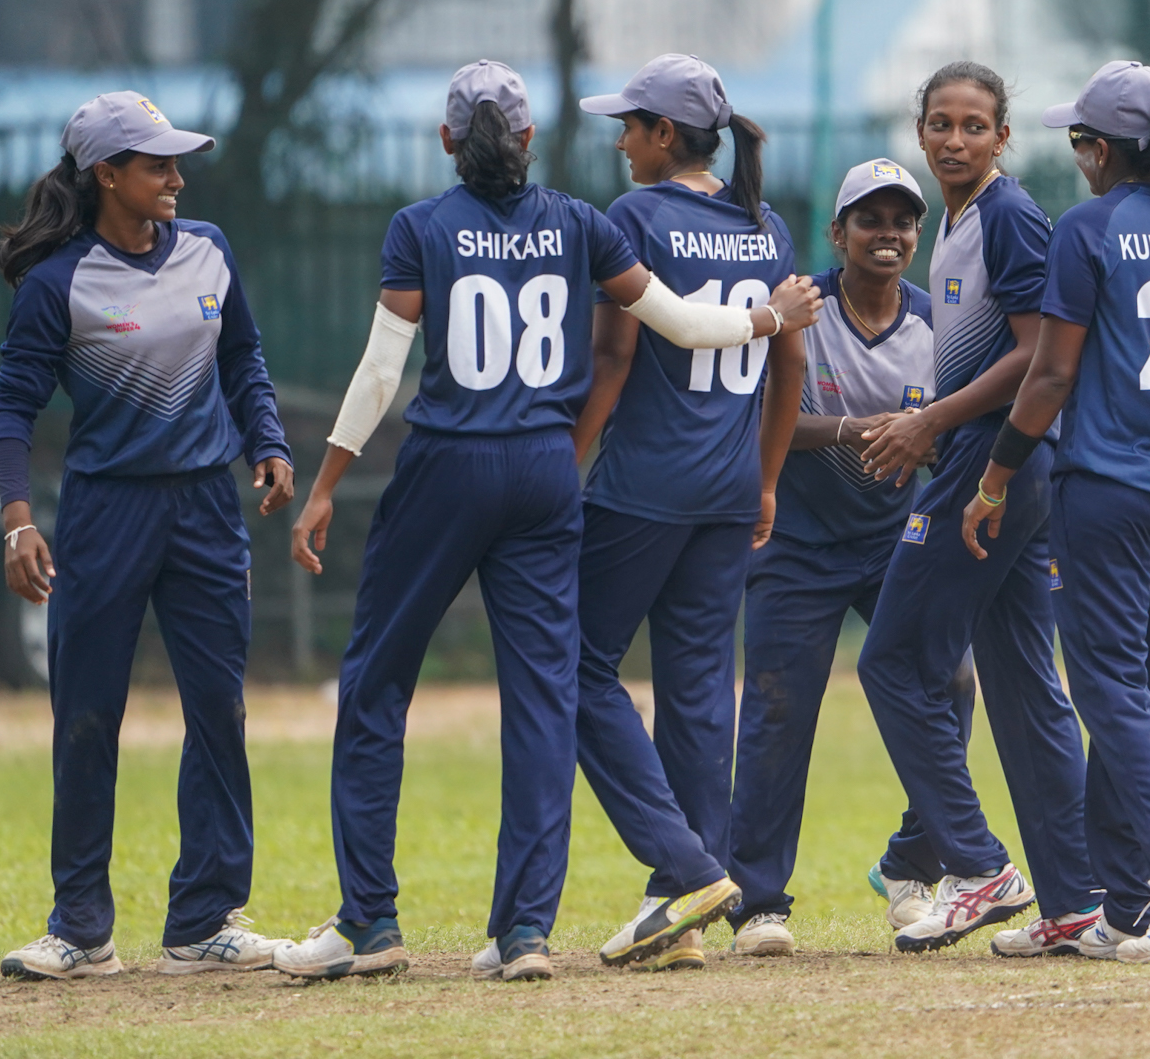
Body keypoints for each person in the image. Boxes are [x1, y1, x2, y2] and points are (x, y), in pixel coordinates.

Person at [272, 61, 819, 983]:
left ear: (448, 140)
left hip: (450, 465)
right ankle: (524, 931)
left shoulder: (421, 227)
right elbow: (683, 323)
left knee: (374, 685)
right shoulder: (581, 221)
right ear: (527, 140)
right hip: (545, 473)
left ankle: (370, 922)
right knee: (540, 697)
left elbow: (378, 375)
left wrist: (327, 480)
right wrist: (768, 315)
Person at [960, 61, 1150, 964]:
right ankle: (1125, 904)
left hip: (1108, 487)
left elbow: (1050, 374)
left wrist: (995, 476)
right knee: (1132, 692)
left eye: (1079, 141)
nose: (1077, 157)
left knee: (1106, 690)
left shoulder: (1088, 228)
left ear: (1103, 150)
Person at [0, 92, 297, 980]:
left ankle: (205, 919)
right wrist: (18, 520)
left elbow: (243, 355)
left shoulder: (209, 250)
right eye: (157, 164)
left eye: (176, 162)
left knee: (219, 711)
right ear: (107, 176)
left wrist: (267, 441)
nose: (177, 176)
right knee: (85, 714)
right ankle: (81, 929)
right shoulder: (58, 286)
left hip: (206, 510)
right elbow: (14, 407)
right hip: (105, 515)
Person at [854, 61, 1102, 955]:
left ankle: (979, 865)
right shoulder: (959, 218)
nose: (955, 140)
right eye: (941, 124)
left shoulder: (1005, 215)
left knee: (889, 663)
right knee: (1025, 685)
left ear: (1002, 137)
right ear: (920, 131)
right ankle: (1077, 902)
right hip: (994, 460)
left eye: (974, 126)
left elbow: (1038, 358)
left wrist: (934, 422)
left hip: (992, 463)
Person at [567, 55, 806, 972]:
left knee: (575, 664)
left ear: (666, 134)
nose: (620, 139)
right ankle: (687, 908)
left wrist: (570, 459)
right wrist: (768, 479)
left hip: (641, 488)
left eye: (629, 124)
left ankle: (685, 864)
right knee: (701, 690)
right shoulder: (765, 225)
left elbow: (615, 358)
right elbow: (788, 363)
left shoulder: (638, 216)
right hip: (726, 492)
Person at [724, 157, 941, 957]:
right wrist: (861, 429)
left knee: (948, 684)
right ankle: (758, 903)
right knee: (778, 707)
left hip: (895, 543)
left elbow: (945, 423)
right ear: (837, 232)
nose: (888, 234)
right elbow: (763, 418)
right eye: (871, 220)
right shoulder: (802, 309)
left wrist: (928, 438)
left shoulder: (933, 321)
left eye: (902, 221)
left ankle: (914, 868)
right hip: (799, 544)